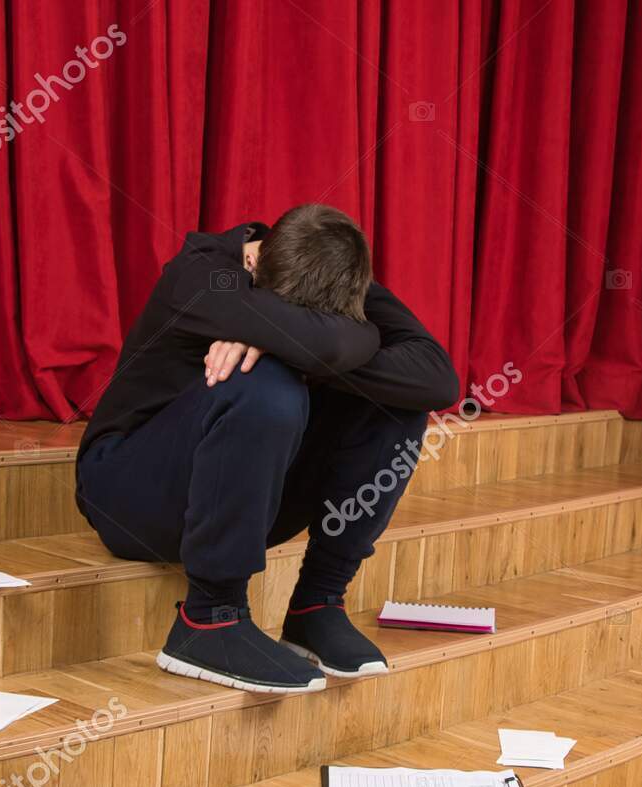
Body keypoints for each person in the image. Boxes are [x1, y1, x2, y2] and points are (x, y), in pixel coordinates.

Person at [76, 203, 460, 694]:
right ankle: (208, 621)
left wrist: (287, 340)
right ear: (253, 266)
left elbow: (437, 377)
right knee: (263, 379)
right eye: (287, 313)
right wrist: (325, 344)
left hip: (244, 498)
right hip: (129, 493)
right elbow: (329, 343)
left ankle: (316, 604)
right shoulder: (200, 274)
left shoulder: (327, 270)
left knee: (397, 405)